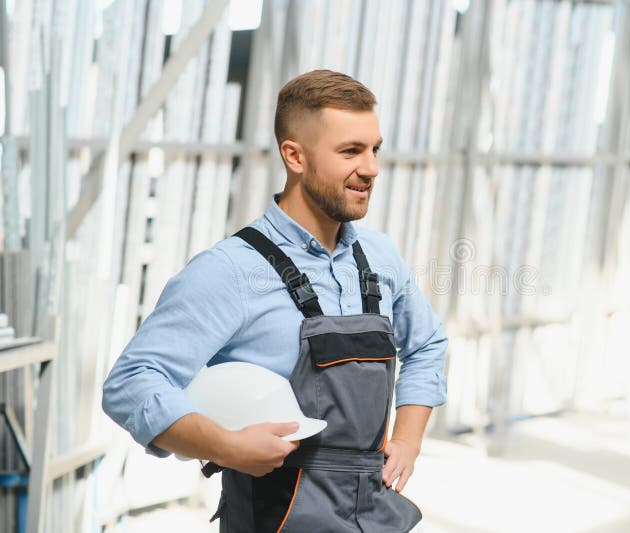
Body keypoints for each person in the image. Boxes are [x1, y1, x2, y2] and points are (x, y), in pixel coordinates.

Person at [102, 69, 448, 532]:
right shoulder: (230, 270)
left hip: (372, 515)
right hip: (275, 517)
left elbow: (427, 344)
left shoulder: (380, 258)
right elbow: (132, 382)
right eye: (350, 151)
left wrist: (407, 440)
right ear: (294, 156)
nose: (371, 168)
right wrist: (224, 445)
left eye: (374, 149)